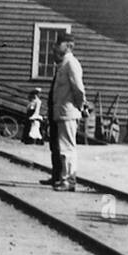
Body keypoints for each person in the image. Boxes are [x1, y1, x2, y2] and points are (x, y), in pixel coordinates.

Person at [48, 32, 85, 190]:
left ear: (69, 46)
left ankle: (68, 180)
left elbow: (79, 89)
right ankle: (65, 178)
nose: (56, 46)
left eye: (60, 43)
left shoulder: (71, 63)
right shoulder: (63, 63)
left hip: (68, 111)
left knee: (67, 148)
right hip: (62, 111)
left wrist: (79, 107)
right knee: (64, 147)